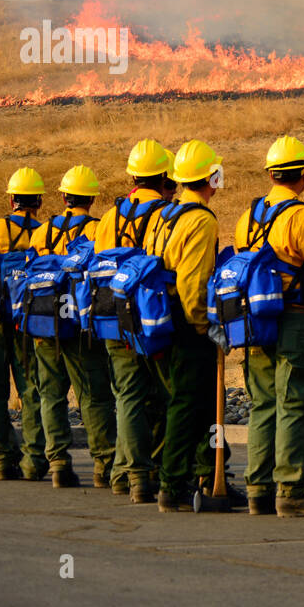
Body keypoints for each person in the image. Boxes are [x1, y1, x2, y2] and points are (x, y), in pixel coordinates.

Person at [232, 136, 304, 517]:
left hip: (256, 322)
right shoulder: (303, 216)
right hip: (296, 321)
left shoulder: (249, 215)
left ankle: (258, 489)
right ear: (303, 173)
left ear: (272, 174)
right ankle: (291, 491)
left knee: (262, 404)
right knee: (295, 402)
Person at [147, 140, 228, 513]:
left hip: (159, 316)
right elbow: (193, 284)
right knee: (186, 404)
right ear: (211, 177)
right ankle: (172, 484)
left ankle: (208, 476)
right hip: (186, 322)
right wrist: (203, 328)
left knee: (194, 403)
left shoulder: (166, 214)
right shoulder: (202, 220)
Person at [93, 140, 173, 501]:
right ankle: (142, 475)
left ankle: (123, 474)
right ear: (163, 176)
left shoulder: (111, 216)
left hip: (112, 309)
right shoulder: (165, 213)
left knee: (126, 392)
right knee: (155, 394)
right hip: (151, 313)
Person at [29, 165, 117, 489]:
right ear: (92, 198)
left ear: (63, 196)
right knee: (93, 394)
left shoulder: (42, 232)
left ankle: (58, 464)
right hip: (79, 322)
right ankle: (103, 465)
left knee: (50, 393)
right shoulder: (98, 230)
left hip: (44, 321)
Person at [0, 168, 45, 479]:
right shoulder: (44, 232)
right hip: (27, 315)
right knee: (31, 388)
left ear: (12, 199)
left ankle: (1, 460)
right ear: (39, 201)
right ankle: (33, 461)